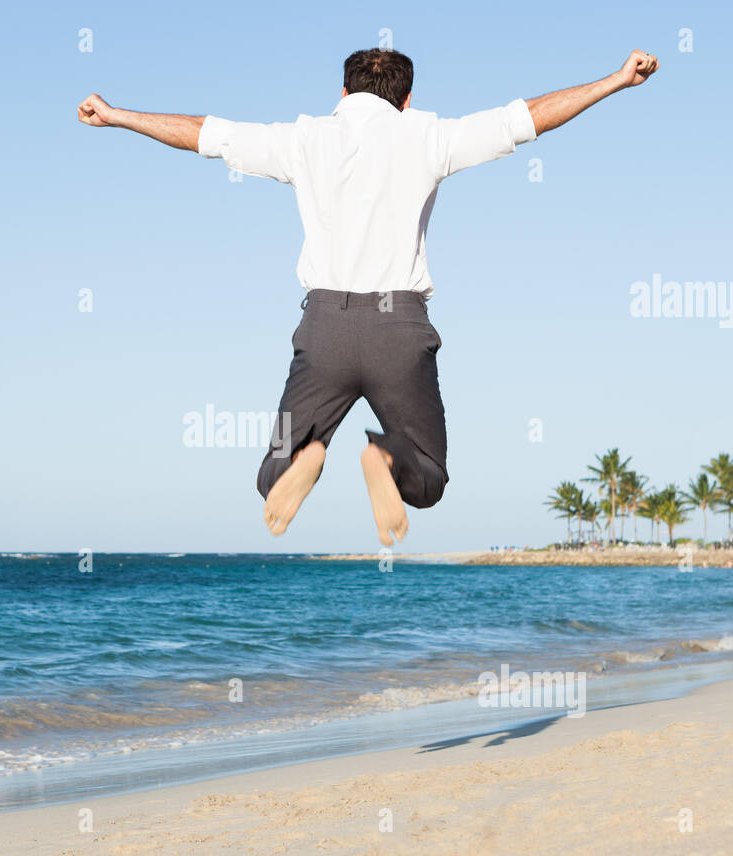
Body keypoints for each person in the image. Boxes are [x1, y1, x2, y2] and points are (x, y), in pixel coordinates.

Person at [77, 47, 658, 544]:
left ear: (343, 92)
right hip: (398, 330)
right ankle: (382, 458)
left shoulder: (305, 138)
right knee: (427, 478)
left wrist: (118, 115)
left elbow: (207, 134)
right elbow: (525, 119)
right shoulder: (428, 134)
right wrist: (615, 80)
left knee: (271, 479)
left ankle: (306, 457)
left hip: (323, 330)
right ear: (405, 100)